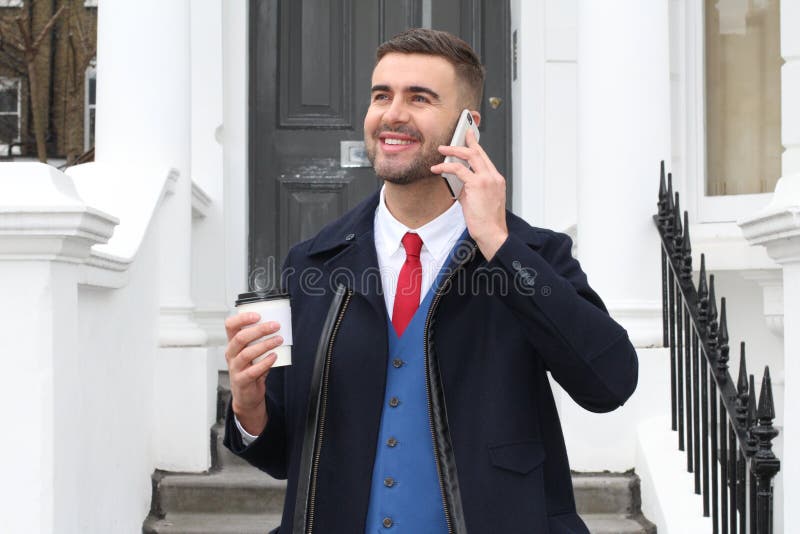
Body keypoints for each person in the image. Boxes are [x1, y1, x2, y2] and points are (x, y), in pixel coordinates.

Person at [223, 28, 638, 534]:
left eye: (419, 98)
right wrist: (248, 405)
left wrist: (498, 244)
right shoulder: (312, 265)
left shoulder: (534, 256)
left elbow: (609, 383)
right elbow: (289, 459)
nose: (392, 114)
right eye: (382, 96)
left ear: (468, 127)